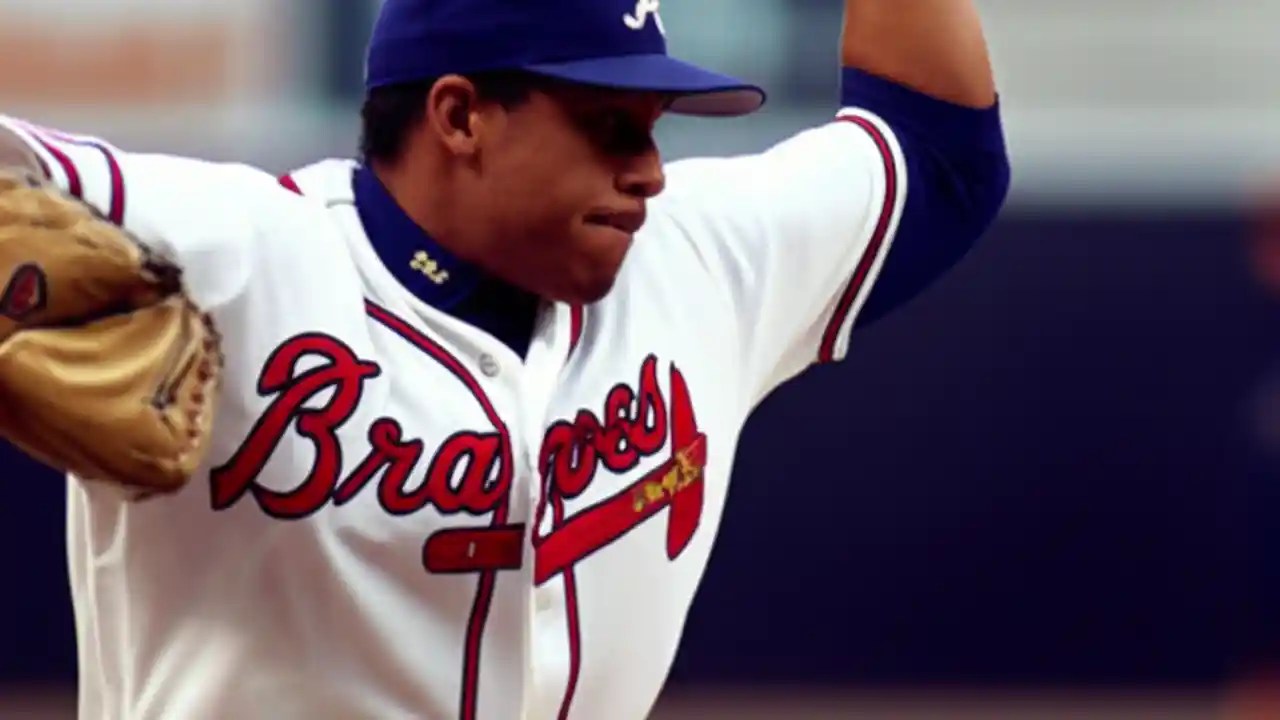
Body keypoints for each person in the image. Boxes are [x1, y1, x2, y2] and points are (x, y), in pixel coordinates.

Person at [0, 0, 1009, 717]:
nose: (652, 172)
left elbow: (936, 154)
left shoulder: (692, 259)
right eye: (610, 127)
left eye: (655, 129)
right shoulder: (235, 251)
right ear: (459, 116)